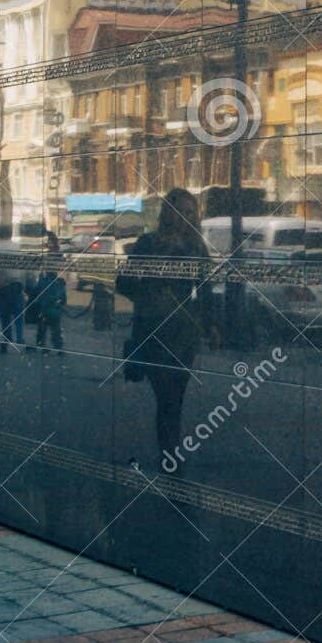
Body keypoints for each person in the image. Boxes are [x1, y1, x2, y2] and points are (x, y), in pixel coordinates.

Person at [116, 188, 214, 461]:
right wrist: (149, 290)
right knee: (167, 397)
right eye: (177, 210)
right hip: (152, 329)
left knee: (174, 399)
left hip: (184, 334)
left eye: (188, 212)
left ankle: (169, 452)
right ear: (166, 213)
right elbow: (123, 283)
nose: (182, 217)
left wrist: (210, 323)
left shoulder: (195, 247)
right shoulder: (147, 243)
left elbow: (206, 287)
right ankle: (170, 455)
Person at [0, 227, 29, 349]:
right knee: (18, 314)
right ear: (10, 234)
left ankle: (7, 337)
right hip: (16, 285)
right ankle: (20, 338)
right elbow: (24, 268)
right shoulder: (17, 247)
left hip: (1, 287)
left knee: (4, 315)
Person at [29, 233, 67, 355]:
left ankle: (42, 346)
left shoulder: (44, 276)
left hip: (45, 302)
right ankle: (58, 347)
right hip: (54, 302)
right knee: (55, 326)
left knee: (43, 326)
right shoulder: (59, 277)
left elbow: (37, 288)